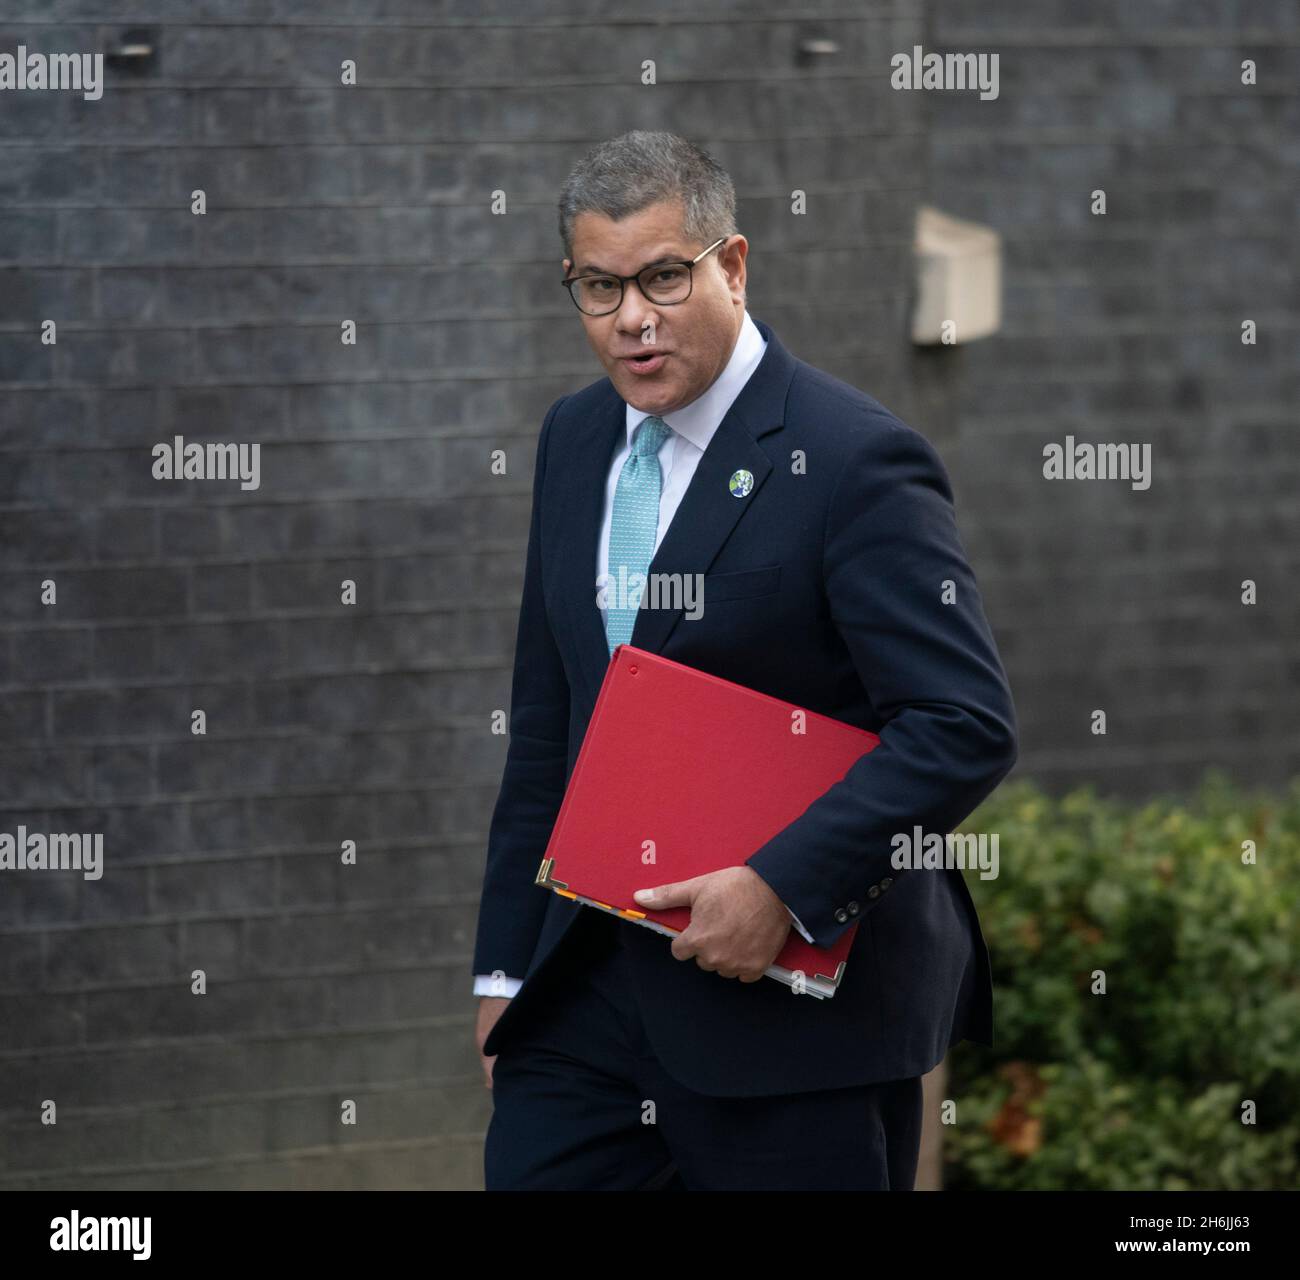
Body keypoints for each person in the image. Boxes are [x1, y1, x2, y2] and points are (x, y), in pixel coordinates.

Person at [471, 130, 1018, 1190]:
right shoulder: (575, 439)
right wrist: (502, 969)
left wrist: (784, 884)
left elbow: (962, 723)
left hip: (792, 1022)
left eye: (663, 276)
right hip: (582, 994)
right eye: (599, 285)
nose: (632, 317)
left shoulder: (855, 459)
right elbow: (548, 726)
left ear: (733, 264)